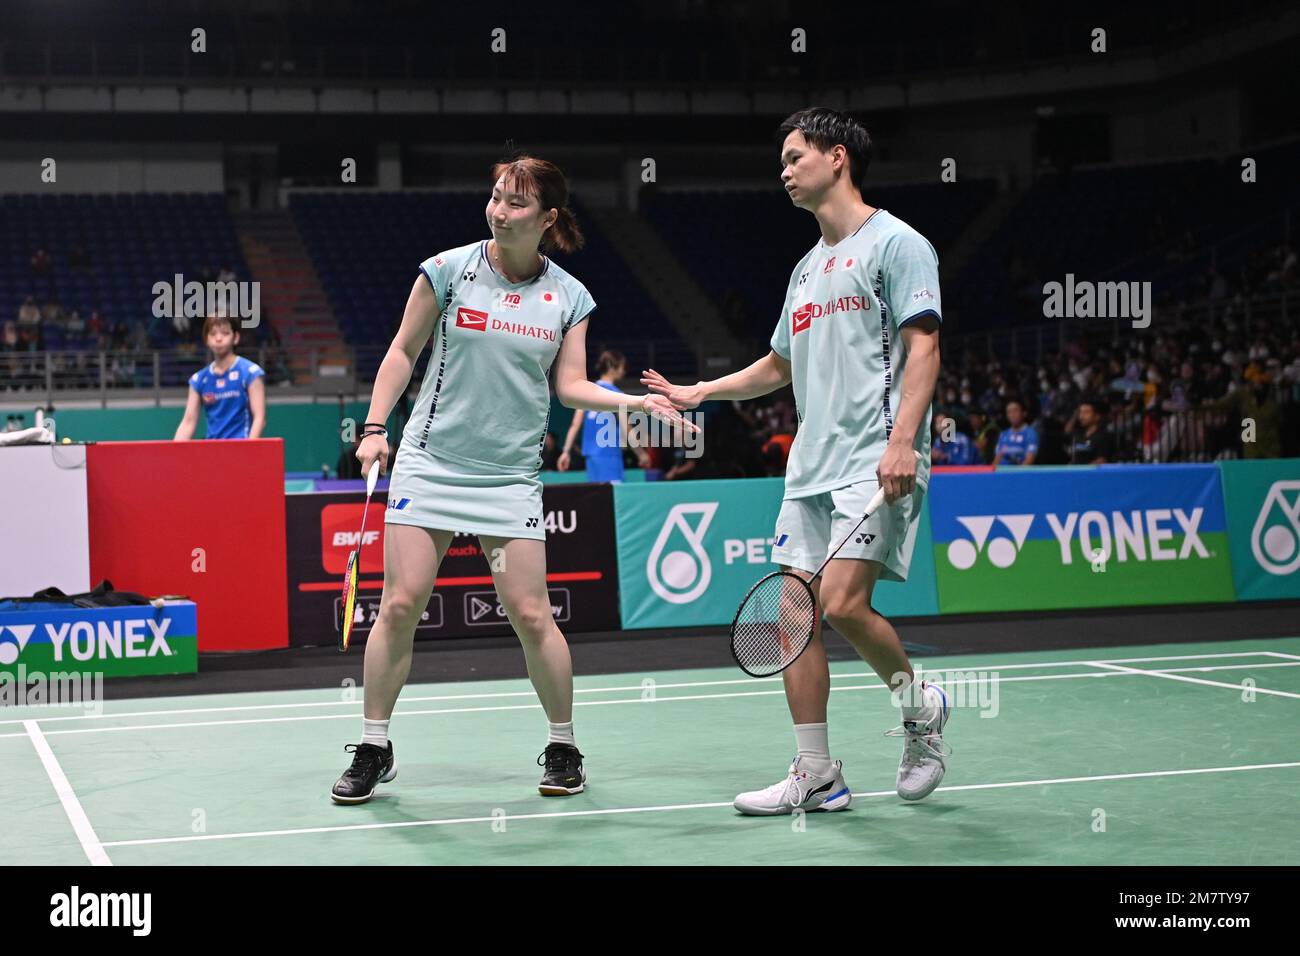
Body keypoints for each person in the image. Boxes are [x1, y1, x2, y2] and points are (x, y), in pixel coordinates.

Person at [330, 155, 695, 805]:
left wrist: (634, 403)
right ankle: (373, 746)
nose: (499, 211)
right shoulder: (445, 272)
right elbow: (400, 353)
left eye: (516, 204)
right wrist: (374, 429)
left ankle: (563, 745)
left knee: (531, 612)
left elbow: (572, 386)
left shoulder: (569, 297)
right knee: (400, 604)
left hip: (508, 475)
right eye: (496, 197)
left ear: (547, 219)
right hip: (431, 460)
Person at [643, 107, 949, 815]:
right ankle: (818, 772)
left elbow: (925, 349)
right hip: (810, 465)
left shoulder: (899, 245)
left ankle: (921, 707)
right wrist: (704, 390)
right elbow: (779, 363)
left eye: (794, 155)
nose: (783, 170)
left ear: (837, 157)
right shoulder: (806, 269)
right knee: (792, 614)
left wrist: (904, 440)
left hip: (874, 455)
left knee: (841, 604)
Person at [557, 349, 649, 481]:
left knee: (598, 497)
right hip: (609, 455)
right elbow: (626, 429)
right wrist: (641, 454)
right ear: (612, 367)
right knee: (612, 498)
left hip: (591, 457)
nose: (624, 371)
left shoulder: (585, 391)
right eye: (623, 367)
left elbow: (575, 424)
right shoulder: (617, 395)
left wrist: (565, 451)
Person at [173, 314, 267, 440]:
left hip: (242, 447)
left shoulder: (250, 372)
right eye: (213, 334)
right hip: (212, 452)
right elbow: (188, 423)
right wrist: (174, 456)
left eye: (225, 333)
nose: (218, 338)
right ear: (206, 339)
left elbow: (259, 418)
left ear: (236, 338)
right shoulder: (199, 380)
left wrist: (248, 450)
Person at [1064, 398, 1114, 464]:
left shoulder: (1103, 436)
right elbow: (1067, 431)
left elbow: (1101, 460)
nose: (1081, 416)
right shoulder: (1078, 434)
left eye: (1086, 412)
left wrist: (1082, 470)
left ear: (1097, 416)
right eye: (1080, 412)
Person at [992, 398, 1038, 465]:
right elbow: (997, 458)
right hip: (1001, 473)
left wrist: (1016, 475)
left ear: (1024, 413)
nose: (1012, 415)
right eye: (1009, 412)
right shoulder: (1003, 434)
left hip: (1017, 473)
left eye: (1015, 411)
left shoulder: (1030, 434)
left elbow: (1029, 461)